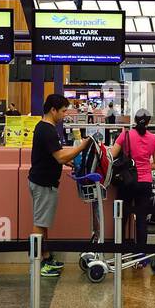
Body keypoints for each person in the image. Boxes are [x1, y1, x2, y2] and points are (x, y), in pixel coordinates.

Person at [28, 93, 93, 277]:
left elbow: (54, 155)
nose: (65, 115)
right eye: (63, 111)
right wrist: (83, 146)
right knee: (40, 224)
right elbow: (59, 156)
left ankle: (46, 257)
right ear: (53, 110)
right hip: (43, 184)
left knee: (43, 222)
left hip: (42, 181)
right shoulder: (47, 130)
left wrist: (66, 162)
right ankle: (38, 263)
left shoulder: (45, 128)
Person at [111, 108, 155, 264]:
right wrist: (145, 167)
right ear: (149, 122)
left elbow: (111, 155)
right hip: (144, 183)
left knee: (122, 217)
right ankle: (141, 258)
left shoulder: (125, 135)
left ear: (134, 119)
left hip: (127, 182)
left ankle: (119, 253)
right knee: (141, 220)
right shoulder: (153, 139)